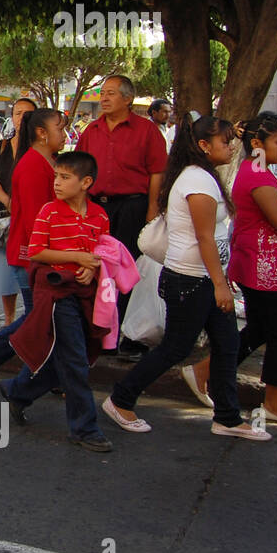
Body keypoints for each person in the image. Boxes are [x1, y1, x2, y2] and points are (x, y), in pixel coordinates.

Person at [103, 116, 269, 440]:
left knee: (227, 342)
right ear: (204, 146)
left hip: (202, 278)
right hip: (190, 280)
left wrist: (220, 279)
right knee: (176, 348)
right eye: (225, 141)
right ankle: (120, 399)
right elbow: (204, 237)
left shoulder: (204, 176)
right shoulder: (197, 181)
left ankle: (228, 418)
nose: (232, 146)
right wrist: (221, 283)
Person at [187, 113, 277, 426]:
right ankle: (274, 402)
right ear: (257, 143)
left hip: (260, 262)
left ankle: (203, 371)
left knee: (261, 329)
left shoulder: (255, 169)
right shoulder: (257, 174)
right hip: (263, 265)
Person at [0, 151, 115, 452]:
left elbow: (102, 251)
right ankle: (84, 428)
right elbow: (37, 251)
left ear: (86, 182)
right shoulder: (49, 212)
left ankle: (18, 391)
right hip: (55, 295)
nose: (57, 183)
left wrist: (91, 268)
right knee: (74, 359)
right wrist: (77, 258)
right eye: (56, 177)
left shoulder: (99, 216)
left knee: (64, 356)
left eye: (65, 177)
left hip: (85, 294)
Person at [0, 107, 65, 387]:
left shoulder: (45, 161)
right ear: (42, 134)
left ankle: (35, 376)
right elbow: (36, 220)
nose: (65, 134)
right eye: (60, 128)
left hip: (34, 255)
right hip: (32, 257)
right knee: (40, 320)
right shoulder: (34, 165)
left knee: (42, 321)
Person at [75, 74, 168, 350]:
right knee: (97, 265)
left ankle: (128, 332)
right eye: (103, 93)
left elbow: (157, 172)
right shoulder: (92, 130)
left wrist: (152, 208)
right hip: (98, 207)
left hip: (133, 206)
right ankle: (98, 329)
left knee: (127, 268)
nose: (104, 98)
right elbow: (80, 169)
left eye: (111, 93)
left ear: (127, 99)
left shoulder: (147, 130)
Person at [0, 98, 38, 325]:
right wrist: (7, 200)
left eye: (27, 113)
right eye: (17, 113)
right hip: (2, 217)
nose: (21, 117)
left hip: (32, 218)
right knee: (5, 272)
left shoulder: (40, 148)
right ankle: (9, 319)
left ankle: (32, 316)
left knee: (31, 269)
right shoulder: (2, 146)